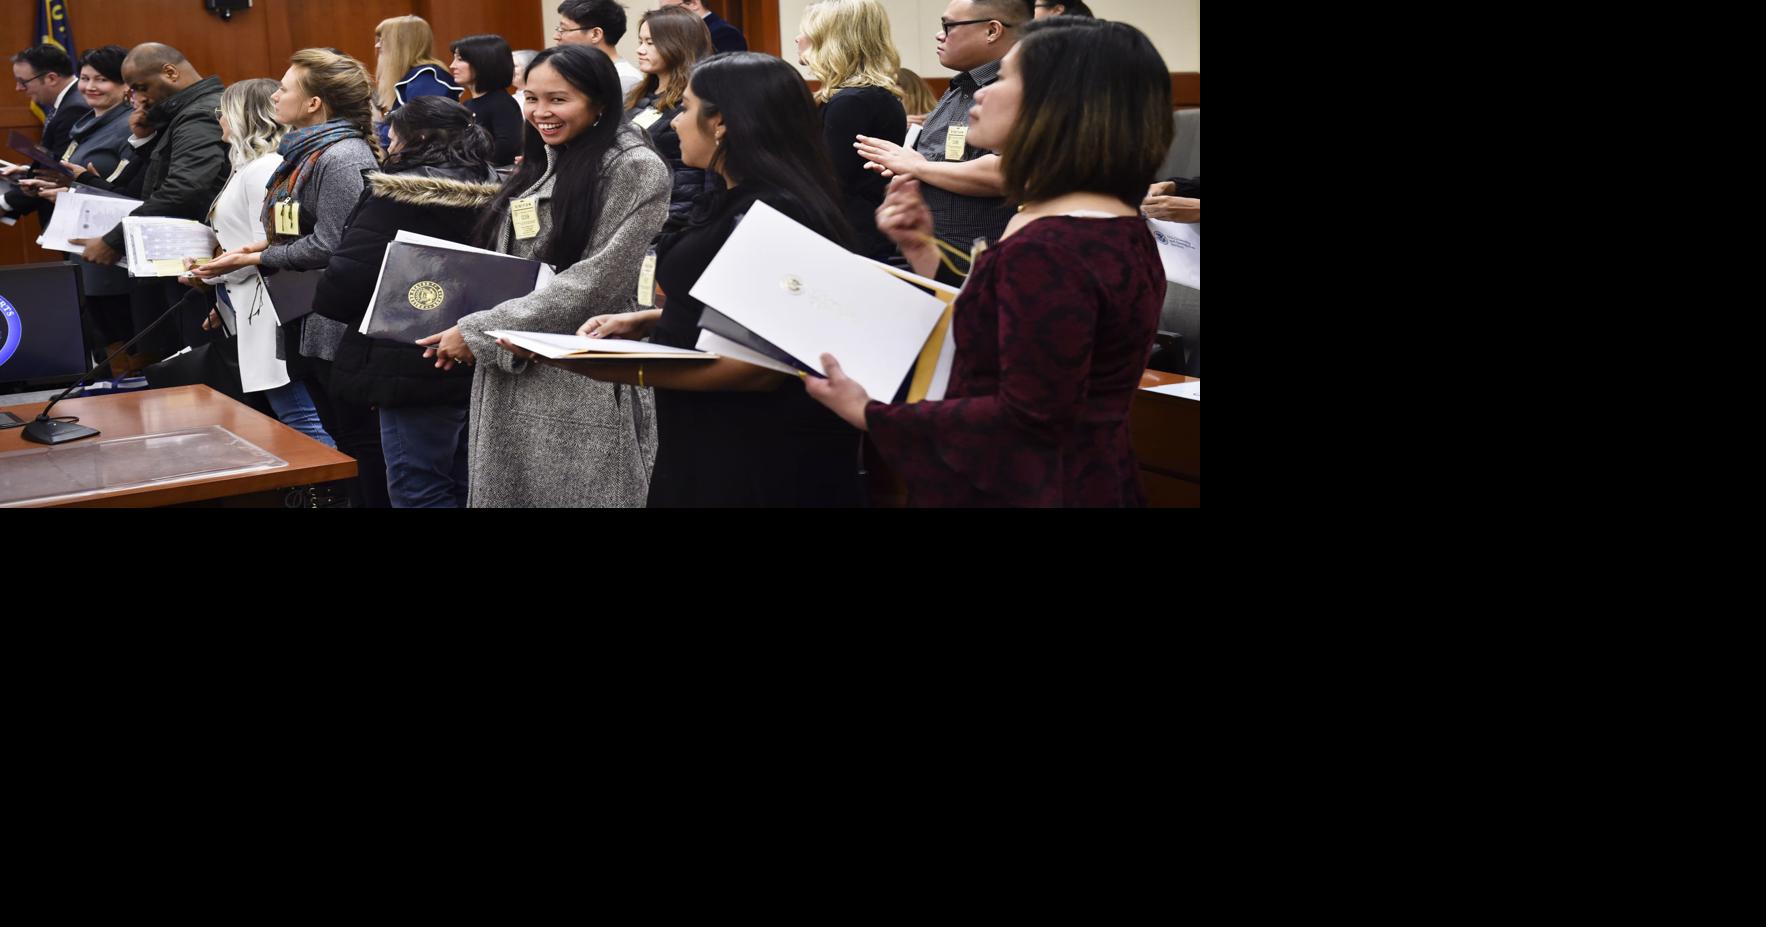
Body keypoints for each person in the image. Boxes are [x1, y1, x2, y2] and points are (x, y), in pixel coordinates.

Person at [804, 17, 1173, 507]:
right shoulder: (1102, 217)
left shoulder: (1054, 245)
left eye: (1003, 78)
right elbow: (1016, 330)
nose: (980, 93)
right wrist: (926, 251)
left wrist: (871, 412)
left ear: (1058, 104)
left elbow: (1026, 419)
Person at [499, 52, 866, 508]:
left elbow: (758, 369)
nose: (674, 123)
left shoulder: (776, 211)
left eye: (688, 108)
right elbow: (746, 310)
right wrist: (657, 318)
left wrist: (599, 363)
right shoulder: (744, 199)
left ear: (723, 123)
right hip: (709, 432)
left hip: (752, 449)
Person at [414, 44, 670, 508]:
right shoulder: (548, 159)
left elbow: (596, 280)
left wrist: (478, 332)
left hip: (579, 377)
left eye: (558, 99)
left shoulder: (633, 167)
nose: (540, 112)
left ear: (600, 102)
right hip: (517, 366)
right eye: (530, 98)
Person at [190, 48, 384, 506]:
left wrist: (256, 258)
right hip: (309, 311)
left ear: (314, 102)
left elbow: (337, 245)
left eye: (284, 88)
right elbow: (299, 231)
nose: (274, 96)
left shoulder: (339, 157)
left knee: (354, 437)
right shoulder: (306, 153)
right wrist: (253, 250)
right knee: (337, 428)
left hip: (336, 316)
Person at [317, 97, 502, 507]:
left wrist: (330, 300)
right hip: (477, 349)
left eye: (392, 135)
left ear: (415, 138)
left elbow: (347, 280)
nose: (386, 143)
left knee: (416, 485)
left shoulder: (398, 195)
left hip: (408, 356)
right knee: (467, 480)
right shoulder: (500, 189)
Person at [181, 78, 334, 446]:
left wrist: (214, 273)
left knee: (301, 418)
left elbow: (273, 243)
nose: (218, 120)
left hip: (274, 306)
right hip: (251, 302)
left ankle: (333, 495)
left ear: (242, 116)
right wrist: (219, 289)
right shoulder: (248, 166)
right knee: (293, 415)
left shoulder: (265, 167)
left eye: (222, 112)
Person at [73, 43, 227, 363]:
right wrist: (144, 138)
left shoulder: (198, 113)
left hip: (193, 259)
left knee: (194, 363)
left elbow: (183, 189)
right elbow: (169, 173)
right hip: (180, 256)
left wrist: (114, 240)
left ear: (170, 72)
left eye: (142, 88)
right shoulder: (183, 111)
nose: (141, 99)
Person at [851, 0, 1027, 254]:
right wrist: (904, 164)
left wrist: (918, 166)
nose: (939, 35)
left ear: (992, 31)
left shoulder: (1018, 89)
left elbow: (1008, 171)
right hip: (932, 253)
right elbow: (945, 160)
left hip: (975, 259)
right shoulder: (961, 87)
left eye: (948, 26)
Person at [20, 46, 136, 372]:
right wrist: (60, 190)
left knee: (124, 344)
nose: (90, 86)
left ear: (126, 84)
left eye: (102, 80)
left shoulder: (130, 125)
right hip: (82, 246)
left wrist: (74, 190)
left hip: (113, 253)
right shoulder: (87, 121)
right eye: (85, 78)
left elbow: (127, 191)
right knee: (104, 339)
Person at [796, 0, 906, 261]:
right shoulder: (860, 97)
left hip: (850, 239)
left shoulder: (852, 102)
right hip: (852, 231)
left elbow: (828, 181)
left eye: (806, 30)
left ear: (832, 39)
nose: (798, 38)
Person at [625, 6, 718, 233]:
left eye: (650, 43)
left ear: (678, 44)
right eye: (640, 41)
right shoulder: (639, 94)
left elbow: (709, 173)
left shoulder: (698, 99)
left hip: (678, 218)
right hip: (637, 212)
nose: (640, 50)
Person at [1, 44, 90, 223]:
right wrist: (26, 170)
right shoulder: (66, 103)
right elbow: (57, 158)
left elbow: (66, 170)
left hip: (72, 215)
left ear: (51, 78)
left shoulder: (75, 108)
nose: (18, 88)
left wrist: (5, 203)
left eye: (23, 82)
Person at [372, 15, 461, 150]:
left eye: (383, 40)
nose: (377, 45)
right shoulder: (415, 77)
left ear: (402, 43)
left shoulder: (426, 79)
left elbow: (422, 137)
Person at [450, 34, 521, 167]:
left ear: (483, 62)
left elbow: (505, 149)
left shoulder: (502, 103)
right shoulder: (466, 105)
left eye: (459, 59)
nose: (452, 65)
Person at [556, 0, 642, 98]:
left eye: (563, 29)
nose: (556, 36)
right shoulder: (577, 72)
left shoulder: (625, 79)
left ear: (595, 34)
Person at [657, 0, 747, 53]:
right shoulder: (684, 32)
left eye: (669, 10)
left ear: (693, 4)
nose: (666, 16)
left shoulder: (725, 33)